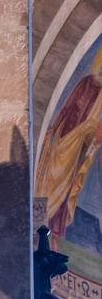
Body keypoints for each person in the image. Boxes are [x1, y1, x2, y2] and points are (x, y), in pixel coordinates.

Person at [37, 45, 102, 238]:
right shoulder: (85, 83)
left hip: (78, 149)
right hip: (64, 139)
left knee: (66, 189)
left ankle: (53, 234)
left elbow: (95, 130)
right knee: (50, 181)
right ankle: (38, 223)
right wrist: (52, 130)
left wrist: (94, 135)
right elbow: (66, 108)